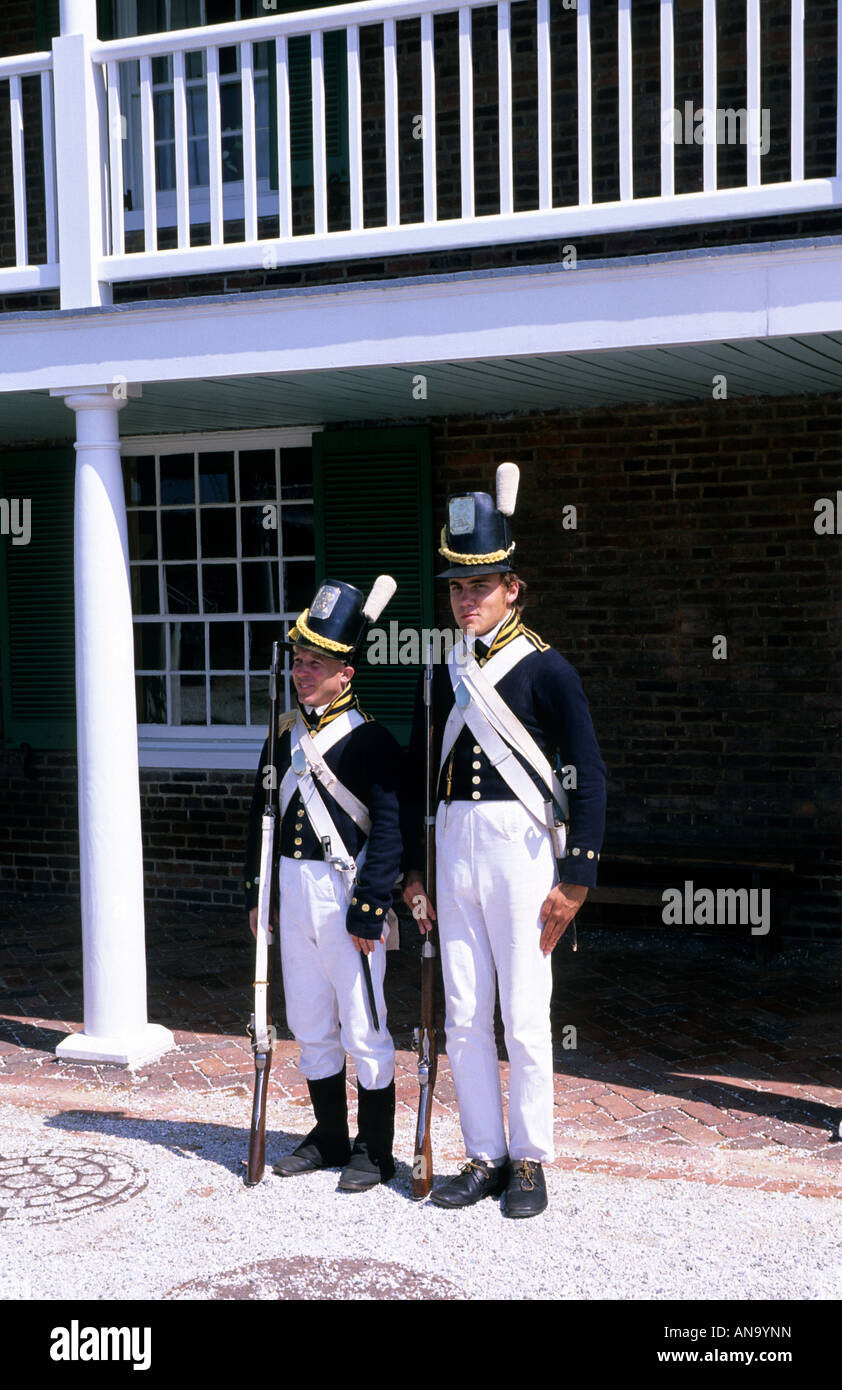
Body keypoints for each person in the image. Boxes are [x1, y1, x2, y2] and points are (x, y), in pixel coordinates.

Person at [402, 464, 606, 1218]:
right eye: (456, 587)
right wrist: (414, 874)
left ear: (512, 588)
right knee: (463, 1010)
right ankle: (483, 1152)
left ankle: (529, 1160)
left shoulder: (547, 669)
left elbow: (590, 771)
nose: (465, 600)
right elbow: (420, 778)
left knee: (522, 1013)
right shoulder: (437, 673)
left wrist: (576, 875)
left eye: (479, 586)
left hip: (522, 853)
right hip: (454, 848)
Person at [245, 576, 402, 1192]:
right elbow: (257, 822)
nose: (303, 672)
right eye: (299, 660)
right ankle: (330, 1134)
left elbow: (389, 830)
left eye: (317, 663)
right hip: (291, 887)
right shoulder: (282, 739)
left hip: (347, 893)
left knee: (364, 1026)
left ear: (347, 673)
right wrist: (258, 895)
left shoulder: (372, 740)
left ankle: (376, 1147)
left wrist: (370, 906)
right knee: (310, 1022)